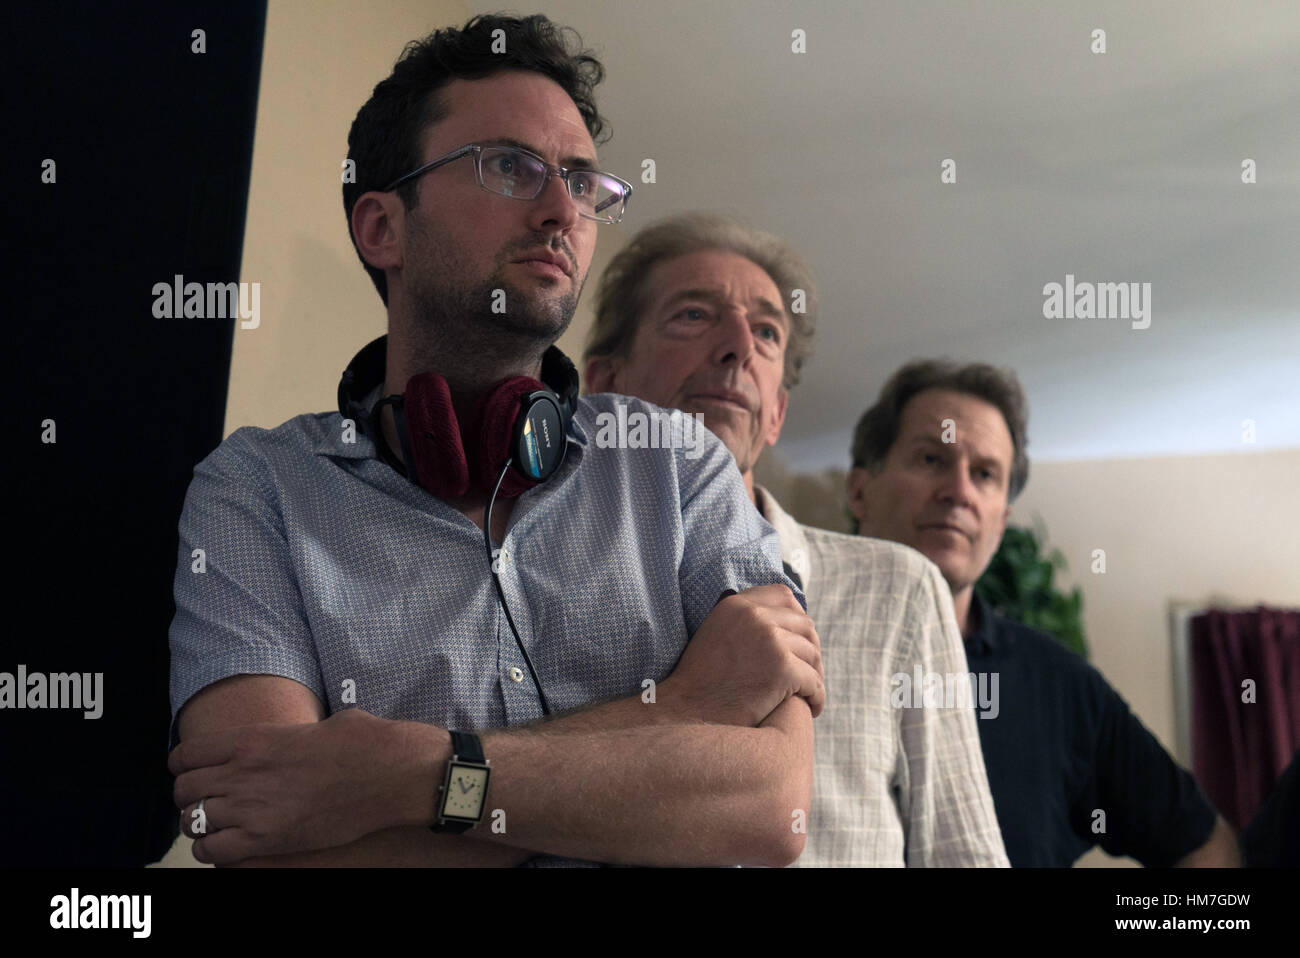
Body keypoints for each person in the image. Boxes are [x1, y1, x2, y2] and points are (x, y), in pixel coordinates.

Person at [167, 15, 824, 868]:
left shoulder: (680, 465)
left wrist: (404, 776)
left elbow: (768, 807)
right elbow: (263, 839)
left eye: (582, 182)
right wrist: (682, 713)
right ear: (382, 228)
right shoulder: (257, 488)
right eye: (510, 168)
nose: (561, 211)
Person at [583, 212, 1008, 866]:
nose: (738, 348)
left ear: (777, 413)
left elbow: (964, 855)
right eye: (694, 315)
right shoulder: (538, 580)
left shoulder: (898, 591)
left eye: (766, 332)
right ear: (604, 385)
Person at [847, 360, 1242, 866]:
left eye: (984, 474)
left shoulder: (1062, 687)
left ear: (1001, 522)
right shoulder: (789, 646)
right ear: (860, 491)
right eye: (931, 458)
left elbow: (1206, 847)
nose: (959, 491)